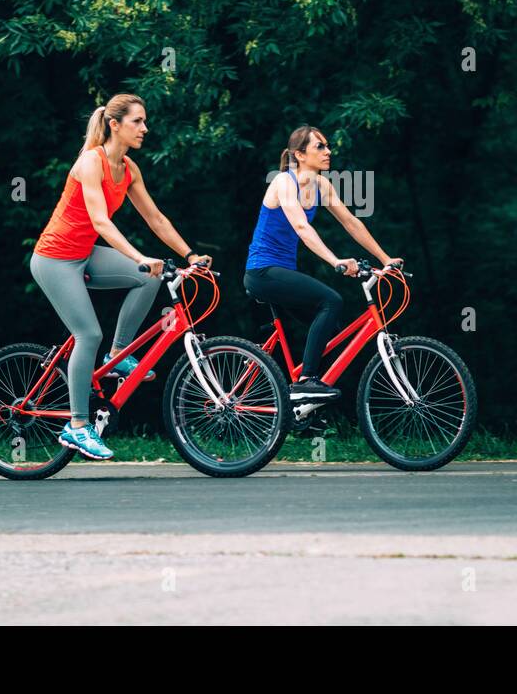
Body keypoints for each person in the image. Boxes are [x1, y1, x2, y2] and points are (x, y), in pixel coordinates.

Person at [30, 93, 212, 460]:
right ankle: (77, 426)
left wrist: (190, 255)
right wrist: (140, 257)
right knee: (88, 334)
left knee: (148, 278)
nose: (145, 128)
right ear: (115, 125)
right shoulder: (90, 162)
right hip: (54, 259)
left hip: (85, 254)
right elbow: (100, 221)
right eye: (137, 121)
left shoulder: (128, 169)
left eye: (144, 121)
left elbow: (155, 219)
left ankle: (118, 353)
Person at [243, 125, 402, 404]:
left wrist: (385, 258)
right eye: (320, 146)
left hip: (282, 273)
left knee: (333, 333)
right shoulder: (284, 182)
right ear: (299, 154)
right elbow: (302, 227)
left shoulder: (321, 185)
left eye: (327, 146)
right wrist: (335, 261)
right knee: (331, 300)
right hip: (262, 271)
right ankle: (306, 382)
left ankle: (304, 407)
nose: (328, 151)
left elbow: (350, 222)